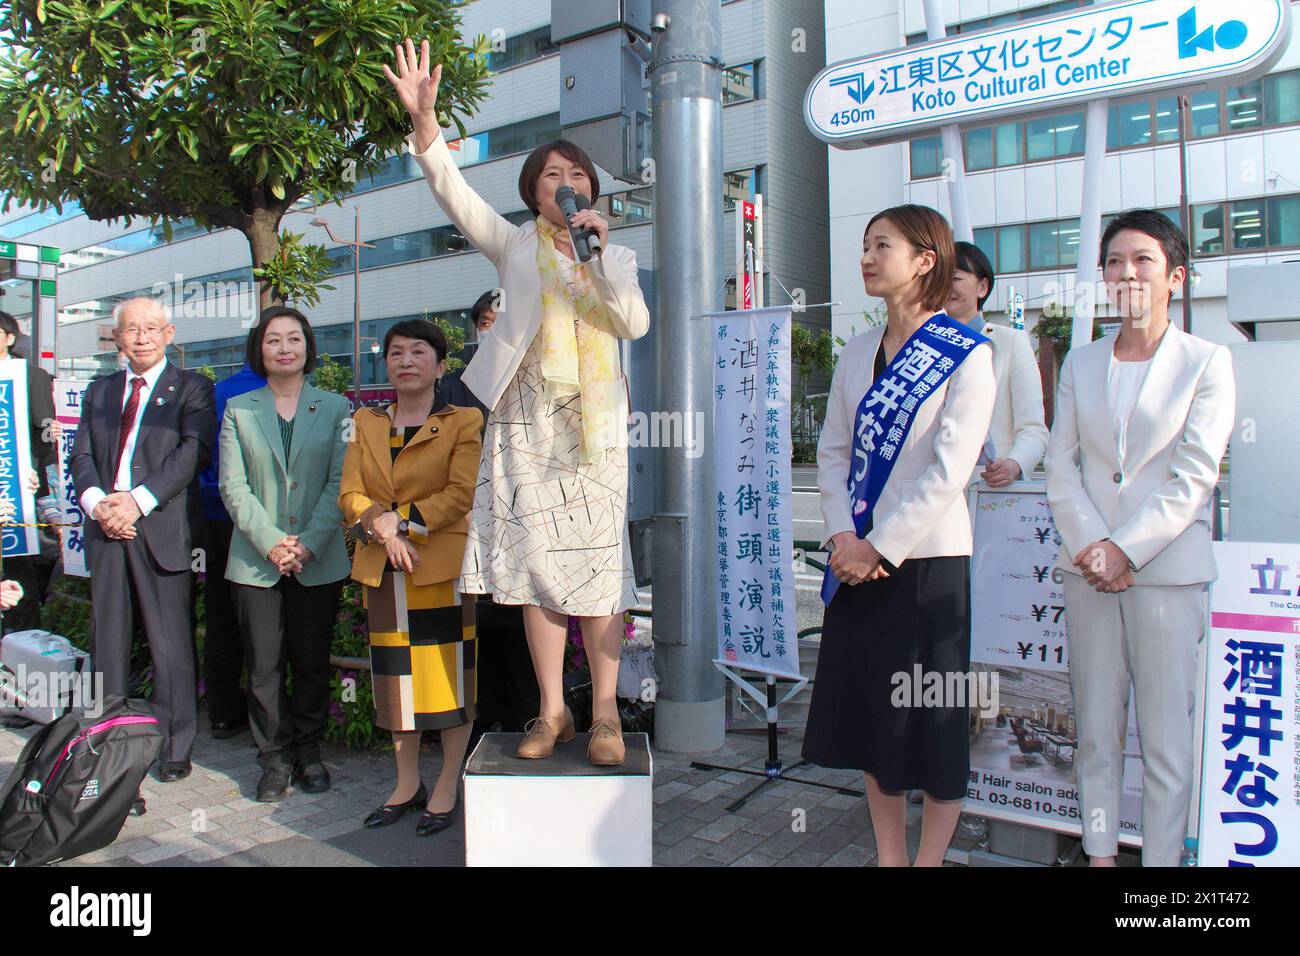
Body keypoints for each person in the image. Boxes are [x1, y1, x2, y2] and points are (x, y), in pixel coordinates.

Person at [384, 39, 650, 766]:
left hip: (593, 428)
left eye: (576, 175)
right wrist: (426, 123)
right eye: (551, 174)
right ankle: (552, 710)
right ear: (534, 190)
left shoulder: (612, 256)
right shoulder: (511, 246)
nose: (564, 182)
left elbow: (631, 324)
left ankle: (604, 714)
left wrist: (594, 262)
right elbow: (452, 191)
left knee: (597, 569)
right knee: (535, 565)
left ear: (591, 192)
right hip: (525, 422)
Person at [804, 205, 996, 866]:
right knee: (873, 720)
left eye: (881, 245)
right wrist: (840, 537)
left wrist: (880, 545)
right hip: (855, 563)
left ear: (925, 260)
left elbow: (949, 469)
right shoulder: (857, 352)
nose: (866, 256)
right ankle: (890, 857)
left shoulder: (966, 353)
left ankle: (930, 859)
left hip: (926, 562)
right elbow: (832, 450)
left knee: (935, 723)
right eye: (864, 245)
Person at [1045, 209, 1234, 867]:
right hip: (1088, 573)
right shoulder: (1081, 360)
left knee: (1164, 743)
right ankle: (1099, 855)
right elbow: (1060, 465)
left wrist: (1126, 549)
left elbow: (1195, 474)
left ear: (1175, 276)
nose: (1127, 272)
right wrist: (1094, 547)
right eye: (1115, 261)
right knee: (1095, 733)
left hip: (1165, 575)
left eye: (1143, 260)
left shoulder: (1207, 362)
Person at [340, 319, 482, 836]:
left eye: (418, 352)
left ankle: (446, 782)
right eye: (396, 352)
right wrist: (379, 527)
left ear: (440, 366)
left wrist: (399, 523)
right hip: (383, 571)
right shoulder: (366, 421)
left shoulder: (463, 421)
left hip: (437, 569)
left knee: (448, 683)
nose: (406, 360)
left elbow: (461, 495)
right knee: (395, 682)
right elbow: (350, 493)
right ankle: (405, 783)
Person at [69, 297, 217, 782]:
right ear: (117, 338)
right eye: (131, 329)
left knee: (169, 644)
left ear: (169, 334)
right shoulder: (100, 391)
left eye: (152, 328)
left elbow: (192, 453)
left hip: (160, 528)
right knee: (107, 644)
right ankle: (106, 743)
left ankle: (175, 747)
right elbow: (82, 457)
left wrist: (136, 501)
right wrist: (100, 506)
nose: (142, 337)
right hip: (106, 529)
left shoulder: (192, 388)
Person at [218, 308, 350, 802]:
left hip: (319, 556)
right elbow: (233, 486)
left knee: (313, 660)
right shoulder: (239, 408)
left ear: (308, 347)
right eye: (274, 340)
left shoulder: (337, 408)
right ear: (260, 349)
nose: (285, 348)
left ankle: (309, 753)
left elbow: (342, 481)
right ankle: (273, 758)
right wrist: (272, 541)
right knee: (264, 666)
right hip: (256, 560)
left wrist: (310, 542)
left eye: (294, 338)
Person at [198, 359, 266, 739]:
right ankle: (268, 716)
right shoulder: (281, 390)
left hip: (219, 516)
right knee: (266, 621)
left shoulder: (220, 389)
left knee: (222, 616)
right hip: (267, 523)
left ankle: (223, 712)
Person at [946, 243, 1048, 486]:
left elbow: (1034, 428)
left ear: (982, 287)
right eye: (937, 278)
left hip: (989, 486)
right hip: (928, 490)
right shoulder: (920, 347)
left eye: (955, 278)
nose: (944, 287)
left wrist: (1014, 464)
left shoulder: (1011, 342)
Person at [0, 311, 58, 634]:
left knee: (17, 573)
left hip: (15, 486)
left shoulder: (30, 376)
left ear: (10, 338)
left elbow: (46, 429)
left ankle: (20, 653)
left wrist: (33, 469)